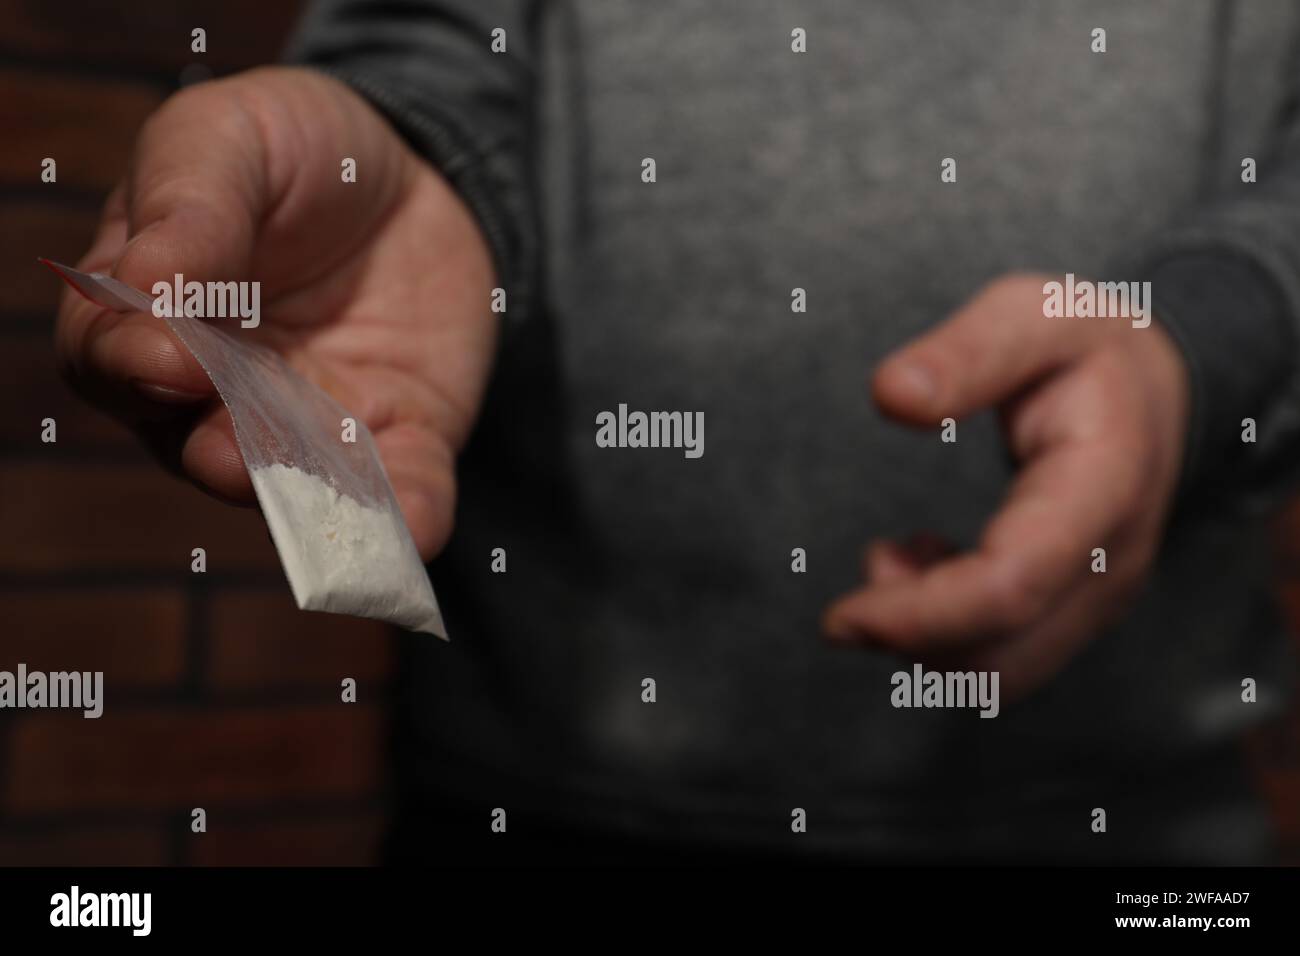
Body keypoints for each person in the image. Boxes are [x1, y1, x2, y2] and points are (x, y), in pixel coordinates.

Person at [55, 0, 1300, 864]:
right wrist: (416, 159)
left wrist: (1203, 337)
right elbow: (431, 39)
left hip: (1137, 822)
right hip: (534, 801)